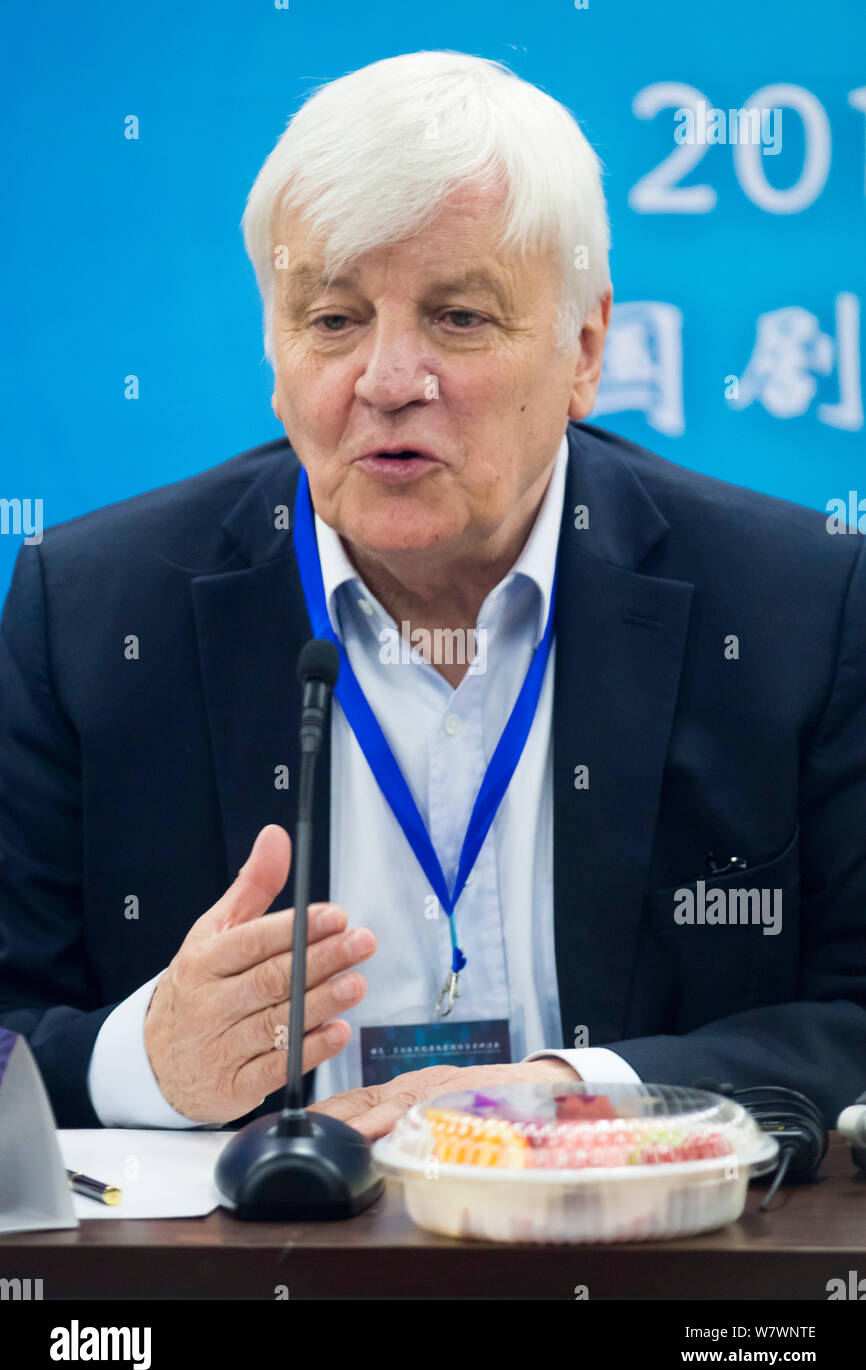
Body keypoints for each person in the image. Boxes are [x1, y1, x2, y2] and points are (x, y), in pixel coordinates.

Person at [1, 51, 864, 1138]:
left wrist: (580, 1093)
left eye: (457, 317)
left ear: (584, 347)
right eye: (332, 319)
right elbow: (10, 1016)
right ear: (272, 347)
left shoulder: (795, 603)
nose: (388, 377)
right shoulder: (89, 616)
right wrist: (148, 1062)